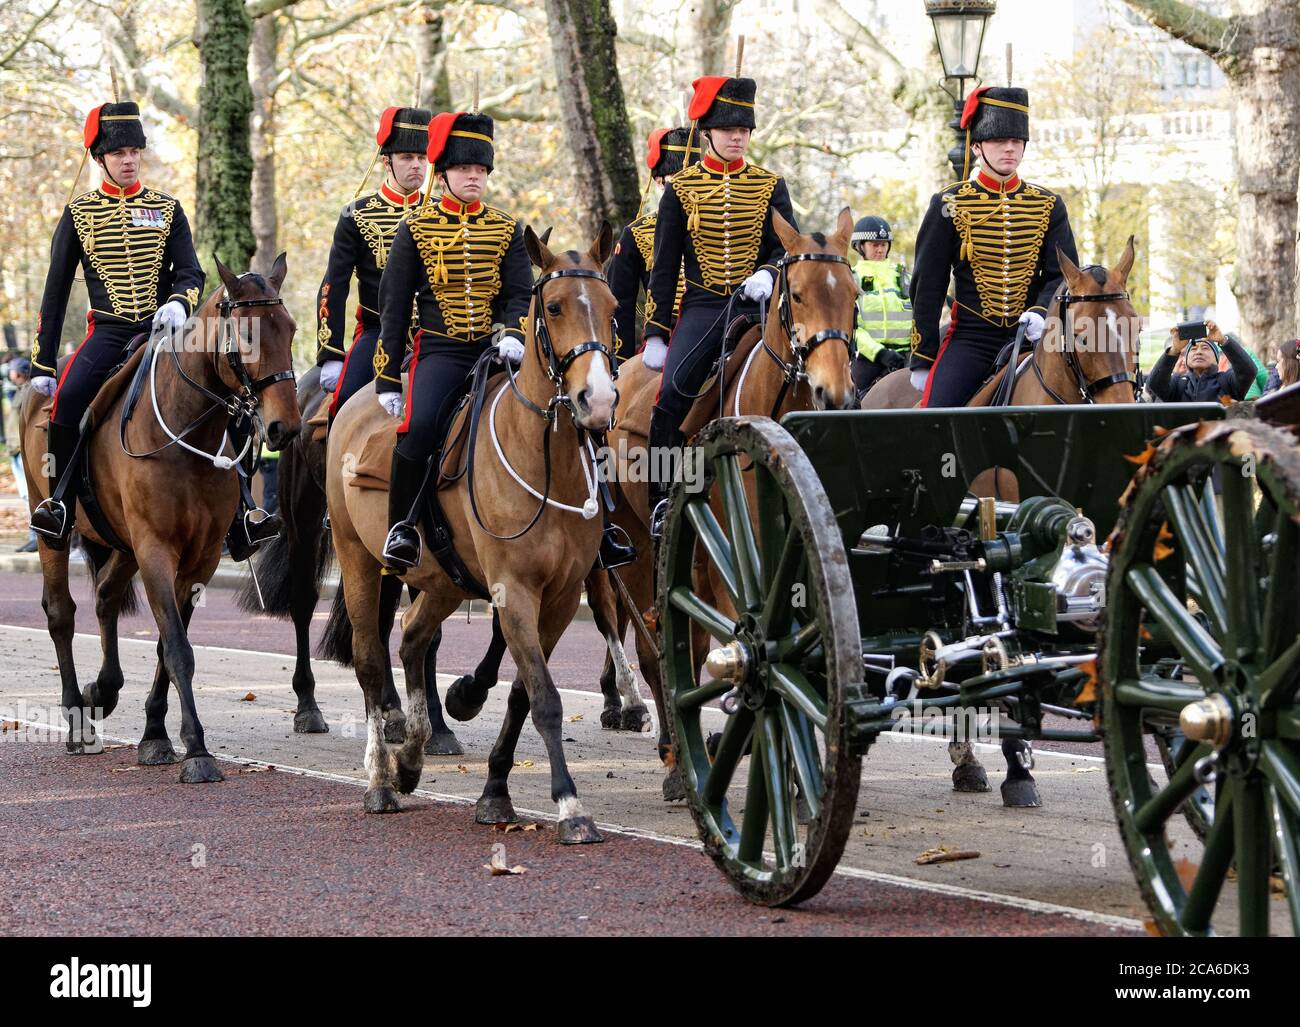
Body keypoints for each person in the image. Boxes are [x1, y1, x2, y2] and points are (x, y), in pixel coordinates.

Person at [28, 99, 208, 550]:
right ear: (100, 158)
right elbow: (55, 292)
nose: (128, 160)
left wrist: (179, 302)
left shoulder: (168, 208)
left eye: (134, 152)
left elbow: (191, 272)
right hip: (109, 333)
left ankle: (244, 511)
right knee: (68, 402)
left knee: (226, 391)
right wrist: (43, 364)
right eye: (118, 154)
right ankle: (60, 505)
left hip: (164, 332)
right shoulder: (79, 214)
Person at [643, 75, 796, 536]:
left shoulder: (771, 185)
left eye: (744, 131)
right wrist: (654, 330)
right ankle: (661, 499)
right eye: (729, 130)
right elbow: (665, 268)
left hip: (762, 308)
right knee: (671, 394)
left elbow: (787, 247)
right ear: (706, 132)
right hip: (706, 308)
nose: (738, 137)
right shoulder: (682, 189)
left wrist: (769, 273)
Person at [908, 86, 1079, 408]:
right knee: (936, 416)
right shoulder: (949, 203)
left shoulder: (1048, 204)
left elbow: (1064, 274)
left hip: (1033, 338)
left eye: (1017, 142)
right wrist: (922, 356)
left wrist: (1042, 313)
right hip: (970, 339)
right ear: (976, 147)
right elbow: (927, 284)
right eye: (1000, 141)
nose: (1010, 149)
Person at [317, 106, 430, 418]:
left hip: (436, 334)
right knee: (344, 406)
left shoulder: (440, 212)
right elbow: (334, 286)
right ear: (386, 161)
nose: (417, 166)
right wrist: (331, 352)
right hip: (378, 332)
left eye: (422, 159)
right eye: (407, 158)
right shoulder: (356, 213)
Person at [607, 127, 694, 361]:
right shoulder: (636, 234)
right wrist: (620, 363)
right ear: (659, 182)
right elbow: (620, 305)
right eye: (675, 185)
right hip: (665, 337)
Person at [849, 215, 911, 398]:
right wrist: (880, 353)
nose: (880, 249)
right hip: (870, 359)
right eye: (874, 245)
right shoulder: (851, 279)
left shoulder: (904, 278)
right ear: (861, 247)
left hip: (906, 359)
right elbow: (852, 328)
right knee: (852, 406)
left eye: (883, 244)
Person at [1147, 321, 1257, 403]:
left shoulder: (1228, 382)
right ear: (1186, 359)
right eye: (1193, 349)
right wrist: (1174, 350)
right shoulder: (1177, 384)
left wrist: (1223, 340)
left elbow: (1248, 371)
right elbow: (1155, 383)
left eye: (1205, 348)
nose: (1198, 352)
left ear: (1216, 358)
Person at [6, 358, 37, 552]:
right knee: (26, 496)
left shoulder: (28, 391)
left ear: (18, 373)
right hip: (15, 449)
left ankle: (36, 536)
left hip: (21, 449)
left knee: (30, 495)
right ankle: (32, 535)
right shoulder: (19, 391)